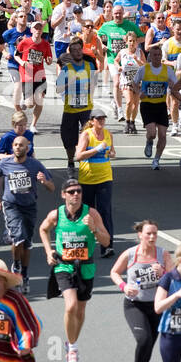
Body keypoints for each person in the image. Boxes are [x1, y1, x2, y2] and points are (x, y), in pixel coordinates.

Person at [39, 178, 111, 362]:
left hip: (86, 266)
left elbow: (106, 242)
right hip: (64, 265)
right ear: (63, 195)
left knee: (80, 311)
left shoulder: (91, 213)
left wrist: (94, 229)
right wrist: (48, 251)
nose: (76, 194)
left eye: (78, 191)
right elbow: (43, 229)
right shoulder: (57, 214)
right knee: (70, 306)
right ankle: (72, 349)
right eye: (71, 191)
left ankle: (72, 342)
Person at [110, 219, 173, 362]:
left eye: (155, 233)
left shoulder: (163, 254)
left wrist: (163, 273)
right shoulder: (130, 254)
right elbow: (114, 272)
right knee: (143, 339)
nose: (152, 237)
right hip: (134, 305)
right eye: (148, 233)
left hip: (156, 307)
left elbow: (175, 279)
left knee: (149, 345)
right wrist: (123, 286)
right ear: (140, 235)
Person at [0, 135, 55, 295]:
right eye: (15, 145)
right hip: (11, 205)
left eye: (21, 145)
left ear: (27, 148)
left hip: (29, 206)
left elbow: (52, 188)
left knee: (26, 243)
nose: (18, 147)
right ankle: (16, 264)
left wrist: (44, 182)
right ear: (12, 147)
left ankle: (24, 274)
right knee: (18, 236)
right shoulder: (4, 163)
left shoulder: (35, 165)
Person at [74, 108, 116, 257]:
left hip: (105, 178)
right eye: (98, 119)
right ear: (92, 121)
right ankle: (85, 244)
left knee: (105, 211)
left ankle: (108, 246)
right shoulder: (86, 134)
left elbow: (113, 152)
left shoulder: (108, 134)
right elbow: (78, 156)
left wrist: (111, 153)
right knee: (88, 213)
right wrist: (97, 149)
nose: (101, 121)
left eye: (103, 118)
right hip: (87, 179)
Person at [56, 37, 96, 170]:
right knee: (68, 139)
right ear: (71, 54)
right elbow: (58, 88)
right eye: (75, 51)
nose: (78, 52)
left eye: (79, 50)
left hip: (86, 108)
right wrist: (69, 83)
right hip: (70, 109)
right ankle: (70, 161)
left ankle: (85, 161)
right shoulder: (66, 69)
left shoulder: (89, 66)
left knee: (88, 135)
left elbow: (94, 83)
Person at [135, 43, 176, 170]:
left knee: (163, 135)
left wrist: (171, 85)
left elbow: (176, 86)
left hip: (161, 105)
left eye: (159, 55)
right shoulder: (143, 69)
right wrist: (139, 93)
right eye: (154, 55)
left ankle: (156, 160)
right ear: (150, 57)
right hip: (147, 105)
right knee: (152, 133)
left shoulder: (168, 70)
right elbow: (134, 83)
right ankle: (149, 141)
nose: (157, 57)